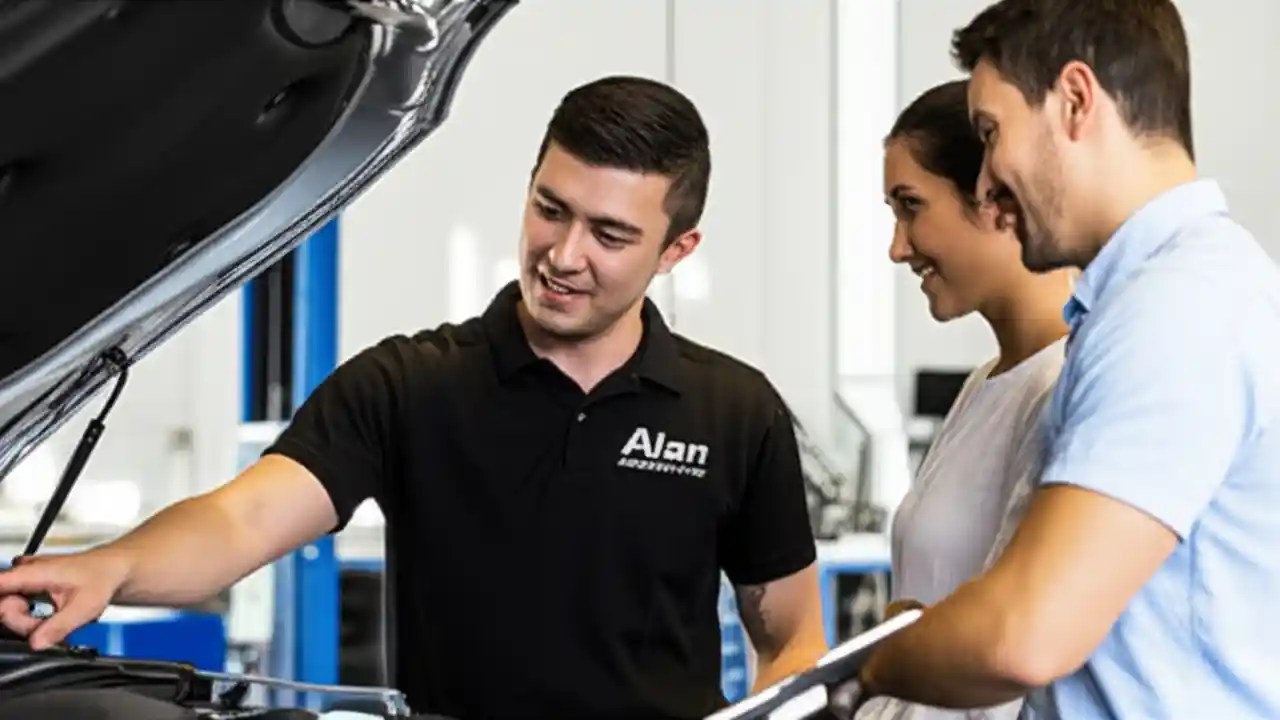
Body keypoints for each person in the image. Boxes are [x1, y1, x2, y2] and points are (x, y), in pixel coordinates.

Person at [0, 76, 828, 719]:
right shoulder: (410, 385)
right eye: (550, 210)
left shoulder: (735, 411)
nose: (564, 255)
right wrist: (113, 566)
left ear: (677, 249)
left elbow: (791, 637)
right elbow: (240, 520)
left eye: (610, 235)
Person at [846, 2, 1280, 719]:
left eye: (991, 133)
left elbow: (1023, 637)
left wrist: (866, 666)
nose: (986, 183)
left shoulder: (1177, 308)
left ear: (1076, 100)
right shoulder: (1159, 301)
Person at [856, 80, 1073, 720]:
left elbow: (1009, 667)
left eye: (911, 207)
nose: (898, 246)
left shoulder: (1061, 387)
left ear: (993, 197)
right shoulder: (986, 383)